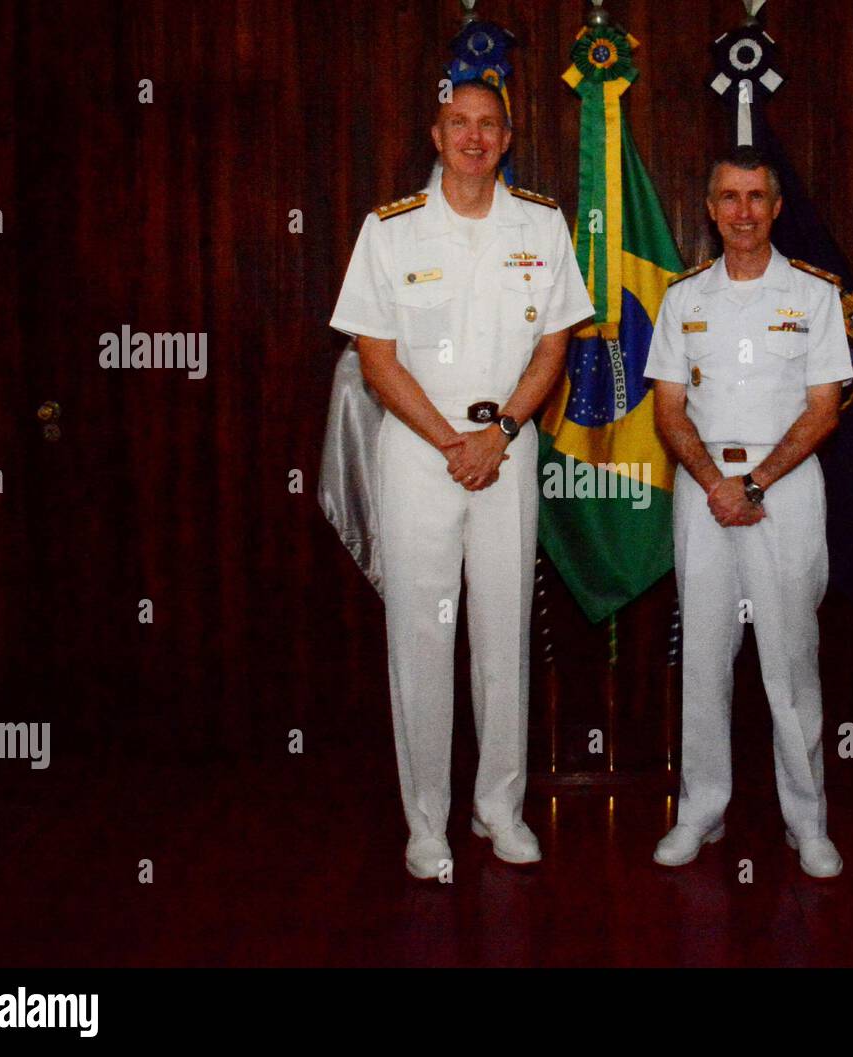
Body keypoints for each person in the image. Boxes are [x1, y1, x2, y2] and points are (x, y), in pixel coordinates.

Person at [329, 80, 594, 879]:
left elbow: (554, 346)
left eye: (489, 125)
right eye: (458, 123)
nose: (474, 137)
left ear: (507, 138)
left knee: (505, 633)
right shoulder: (390, 230)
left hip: (506, 452)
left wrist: (501, 432)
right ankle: (426, 823)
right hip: (421, 453)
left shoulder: (541, 224)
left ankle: (499, 808)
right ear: (436, 135)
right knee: (421, 636)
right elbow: (376, 360)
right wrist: (453, 441)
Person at [643, 146, 853, 878]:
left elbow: (824, 411)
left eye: (756, 197)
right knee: (703, 657)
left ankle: (807, 820)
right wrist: (717, 482)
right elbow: (668, 410)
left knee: (790, 661)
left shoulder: (816, 297)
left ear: (776, 206)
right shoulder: (684, 299)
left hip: (784, 486)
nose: (742, 212)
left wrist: (755, 483)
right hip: (705, 490)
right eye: (728, 197)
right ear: (709, 207)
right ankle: (701, 809)